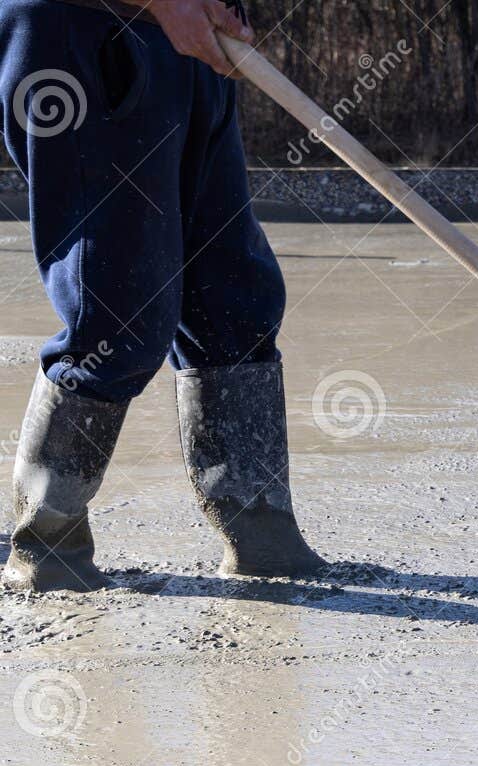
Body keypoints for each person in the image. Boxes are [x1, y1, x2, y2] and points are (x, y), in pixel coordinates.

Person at [0, 0, 323, 591]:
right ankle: (48, 545)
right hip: (85, 32)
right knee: (116, 311)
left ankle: (262, 532)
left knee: (233, 299)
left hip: (187, 42)